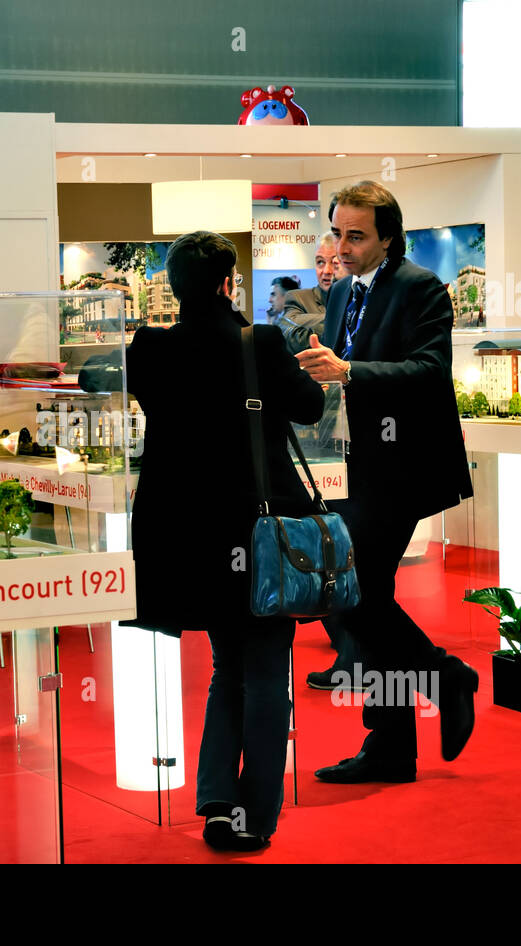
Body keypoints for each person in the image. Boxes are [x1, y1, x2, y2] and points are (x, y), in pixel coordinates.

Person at [112, 230, 324, 850]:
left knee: (225, 668)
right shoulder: (257, 343)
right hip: (258, 532)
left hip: (185, 536)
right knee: (263, 673)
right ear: (230, 282)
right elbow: (309, 407)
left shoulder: (148, 349)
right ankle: (255, 814)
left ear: (172, 288)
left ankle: (217, 804)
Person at [296, 181, 478, 783]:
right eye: (337, 233)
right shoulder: (344, 289)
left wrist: (350, 370)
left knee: (360, 594)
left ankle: (438, 684)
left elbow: (429, 372)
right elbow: (349, 369)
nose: (342, 247)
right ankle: (399, 739)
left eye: (356, 235)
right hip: (358, 463)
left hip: (405, 467)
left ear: (387, 238)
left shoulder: (421, 287)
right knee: (361, 594)